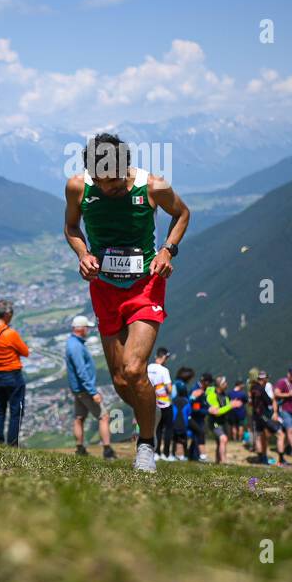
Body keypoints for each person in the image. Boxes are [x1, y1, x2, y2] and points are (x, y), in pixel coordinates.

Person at [64, 133, 191, 473]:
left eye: (117, 183)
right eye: (103, 184)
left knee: (135, 368)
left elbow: (182, 214)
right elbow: (71, 226)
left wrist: (167, 250)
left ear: (127, 168)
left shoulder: (153, 186)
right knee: (121, 380)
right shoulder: (78, 187)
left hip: (145, 286)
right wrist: (83, 254)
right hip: (104, 289)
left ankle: (146, 447)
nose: (110, 190)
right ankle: (150, 409)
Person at [66, 315, 116, 458]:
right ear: (81, 328)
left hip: (78, 389)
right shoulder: (76, 346)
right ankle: (107, 450)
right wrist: (93, 392)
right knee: (103, 417)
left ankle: (80, 449)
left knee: (79, 417)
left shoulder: (72, 343)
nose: (88, 330)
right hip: (84, 389)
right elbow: (81, 372)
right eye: (86, 327)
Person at [0, 299, 29, 447]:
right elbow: (25, 351)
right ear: (7, 314)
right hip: (12, 374)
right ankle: (12, 444)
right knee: (16, 411)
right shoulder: (10, 333)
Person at [147, 348, 175, 460]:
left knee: (157, 428)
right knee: (168, 429)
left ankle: (156, 453)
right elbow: (169, 388)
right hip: (165, 403)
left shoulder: (148, 368)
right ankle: (166, 454)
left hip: (153, 402)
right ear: (164, 357)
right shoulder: (164, 370)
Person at [205, 376, 240, 464]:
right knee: (223, 439)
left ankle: (218, 462)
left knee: (220, 442)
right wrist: (231, 406)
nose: (226, 384)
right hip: (214, 422)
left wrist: (231, 405)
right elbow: (217, 412)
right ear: (219, 385)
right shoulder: (212, 395)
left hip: (223, 422)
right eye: (224, 383)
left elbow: (226, 407)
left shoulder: (225, 395)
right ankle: (224, 462)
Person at [272, 370, 292, 460]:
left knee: (291, 430)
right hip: (285, 410)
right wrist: (288, 394)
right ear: (288, 374)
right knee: (289, 430)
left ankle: (285, 448)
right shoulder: (283, 382)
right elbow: (276, 393)